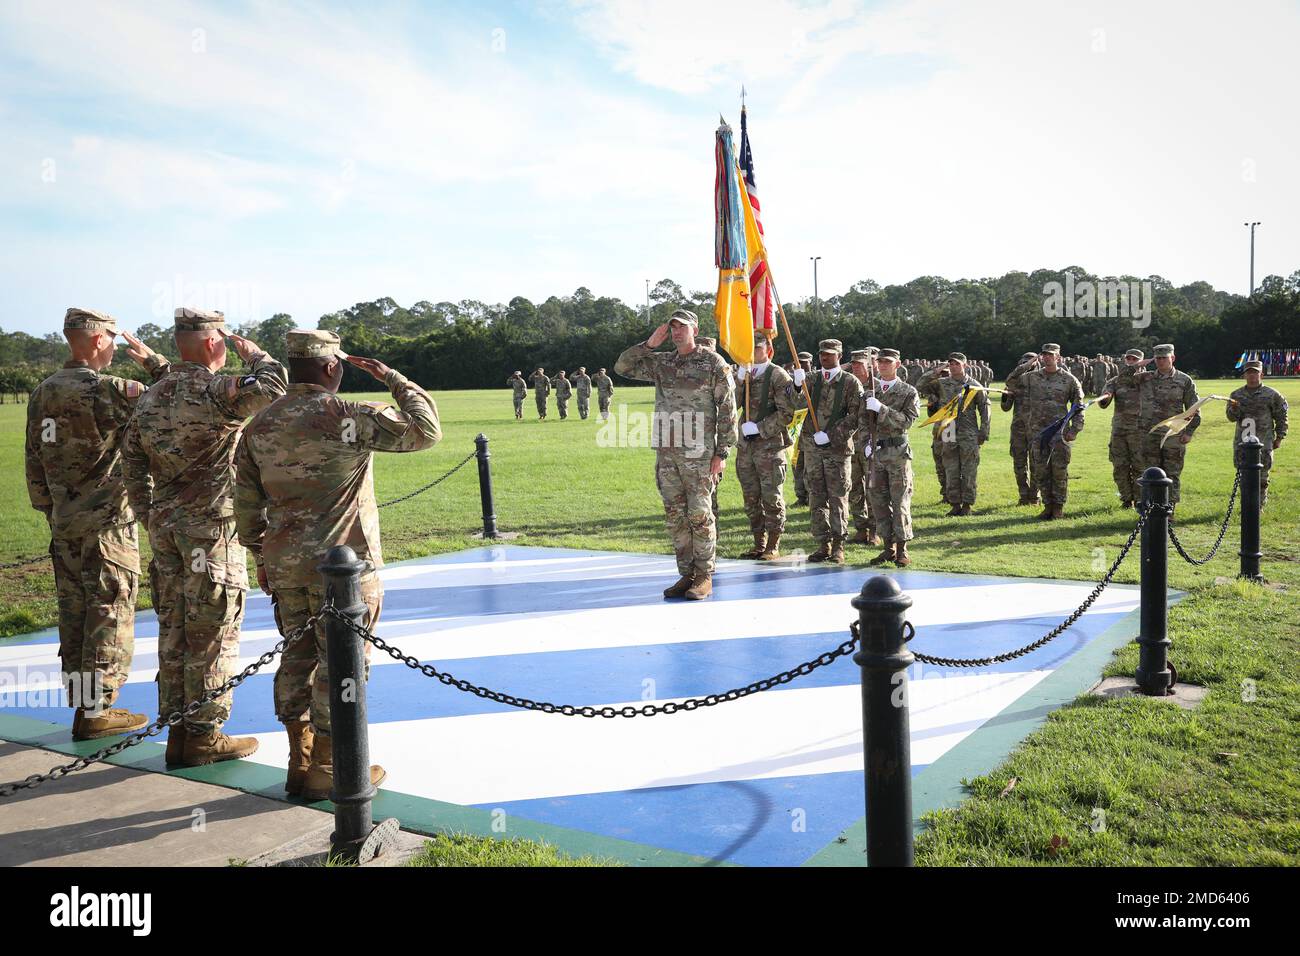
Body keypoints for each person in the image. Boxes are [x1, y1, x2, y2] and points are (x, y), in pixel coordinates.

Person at [234, 330, 440, 799]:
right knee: (342, 667)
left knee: (296, 655)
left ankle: (298, 760)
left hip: (285, 565)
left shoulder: (260, 424)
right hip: (344, 571)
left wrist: (259, 555)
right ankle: (331, 766)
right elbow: (426, 431)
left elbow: (246, 504)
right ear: (332, 368)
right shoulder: (346, 415)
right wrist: (393, 377)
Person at [123, 306, 287, 766]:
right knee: (213, 632)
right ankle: (204, 735)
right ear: (216, 343)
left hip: (166, 530)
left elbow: (131, 461)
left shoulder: (153, 396)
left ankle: (177, 729)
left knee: (174, 629)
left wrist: (147, 512)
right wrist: (258, 355)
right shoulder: (219, 390)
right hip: (212, 531)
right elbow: (274, 388)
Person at [25, 308, 170, 740]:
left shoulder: (43, 392)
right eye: (110, 337)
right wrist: (155, 363)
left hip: (64, 523)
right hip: (107, 525)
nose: (113, 346)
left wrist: (51, 509)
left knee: (75, 615)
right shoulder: (109, 391)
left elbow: (34, 461)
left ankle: (83, 706)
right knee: (110, 611)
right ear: (97, 340)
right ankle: (97, 712)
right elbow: (174, 400)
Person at [615, 309, 736, 600]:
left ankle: (705, 575)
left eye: (682, 327)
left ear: (695, 329)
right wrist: (648, 346)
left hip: (700, 454)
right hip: (668, 453)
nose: (677, 332)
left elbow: (728, 411)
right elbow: (622, 367)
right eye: (673, 328)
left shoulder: (712, 362)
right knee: (676, 515)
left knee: (699, 514)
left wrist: (722, 453)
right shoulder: (663, 362)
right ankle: (686, 574)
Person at [792, 339, 864, 564]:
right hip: (812, 448)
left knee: (837, 497)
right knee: (816, 495)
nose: (825, 357)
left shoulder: (850, 383)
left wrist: (831, 435)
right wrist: (795, 386)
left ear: (839, 356)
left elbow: (855, 417)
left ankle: (838, 545)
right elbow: (793, 405)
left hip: (837, 449)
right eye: (822, 353)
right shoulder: (811, 379)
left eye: (830, 354)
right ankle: (823, 543)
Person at [1004, 344, 1084, 520]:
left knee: (1059, 470)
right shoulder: (1031, 377)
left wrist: (1075, 429)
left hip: (1058, 432)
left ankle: (1058, 507)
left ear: (1058, 358)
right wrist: (1028, 364)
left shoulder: (1069, 380)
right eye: (1044, 355)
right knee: (1041, 470)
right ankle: (1047, 506)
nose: (1047, 358)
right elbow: (1010, 381)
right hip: (1037, 433)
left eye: (1051, 355)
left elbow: (1079, 406)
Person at [734, 332, 796, 560]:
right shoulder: (743, 374)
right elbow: (732, 405)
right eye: (750, 348)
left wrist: (759, 428)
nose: (752, 352)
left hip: (770, 447)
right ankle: (758, 542)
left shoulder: (778, 376)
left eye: (757, 348)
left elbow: (787, 414)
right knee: (750, 497)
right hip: (746, 448)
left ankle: (773, 543)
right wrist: (740, 381)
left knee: (771, 497)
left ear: (768, 350)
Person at [863, 349, 920, 567]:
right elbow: (862, 422)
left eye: (888, 362)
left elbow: (906, 422)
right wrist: (865, 443)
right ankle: (888, 547)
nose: (883, 365)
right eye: (880, 362)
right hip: (876, 454)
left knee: (900, 502)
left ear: (897, 364)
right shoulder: (870, 391)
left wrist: (882, 409)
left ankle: (902, 549)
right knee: (878, 502)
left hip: (897, 454)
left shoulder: (908, 392)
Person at [916, 352, 989, 515]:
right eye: (951, 363)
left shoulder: (974, 385)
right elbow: (920, 385)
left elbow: (985, 407)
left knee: (969, 470)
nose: (954, 366)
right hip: (948, 431)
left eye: (957, 363)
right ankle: (955, 504)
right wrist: (937, 370)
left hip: (968, 432)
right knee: (951, 469)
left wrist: (984, 431)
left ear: (965, 365)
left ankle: (967, 505)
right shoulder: (941, 383)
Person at [1136, 344, 1201, 507]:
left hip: (1173, 434)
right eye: (1157, 358)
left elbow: (1194, 409)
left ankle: (1169, 507)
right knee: (1150, 471)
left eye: (1164, 358)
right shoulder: (1145, 377)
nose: (1160, 361)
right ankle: (1150, 507)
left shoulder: (1184, 380)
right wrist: (1137, 366)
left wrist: (1189, 432)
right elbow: (1120, 379)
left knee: (1172, 472)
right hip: (1149, 433)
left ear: (1172, 358)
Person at [1227, 359, 1288, 508]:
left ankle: (1259, 506)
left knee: (1262, 475)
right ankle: (1247, 506)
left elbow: (1281, 416)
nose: (1252, 375)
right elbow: (1230, 418)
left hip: (1263, 441)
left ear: (1262, 374)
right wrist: (1234, 409)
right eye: (1249, 372)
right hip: (1243, 441)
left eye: (1255, 372)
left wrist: (1279, 437)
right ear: (1244, 375)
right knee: (1244, 476)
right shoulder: (1236, 395)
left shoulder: (1272, 394)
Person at [1097, 349, 1148, 508]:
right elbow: (1102, 404)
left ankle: (1141, 499)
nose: (1131, 361)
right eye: (1129, 359)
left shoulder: (1148, 379)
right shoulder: (1115, 381)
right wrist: (1106, 397)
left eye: (1135, 359)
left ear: (1141, 361)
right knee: (1120, 466)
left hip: (1140, 431)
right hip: (1119, 430)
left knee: (1140, 466)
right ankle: (1127, 499)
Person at [848, 348, 879, 545]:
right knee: (854, 488)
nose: (857, 369)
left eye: (860, 365)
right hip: (851, 444)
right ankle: (860, 528)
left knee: (873, 488)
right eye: (854, 365)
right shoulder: (848, 385)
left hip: (871, 444)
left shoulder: (877, 387)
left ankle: (875, 530)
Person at [1001, 351, 1040, 505]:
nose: (1028, 366)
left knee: (1036, 462)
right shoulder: (1015, 382)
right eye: (1025, 363)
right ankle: (1023, 495)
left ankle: (1034, 496)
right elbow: (1005, 407)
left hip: (1037, 428)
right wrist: (1007, 395)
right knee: (1019, 463)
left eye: (1031, 362)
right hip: (1019, 428)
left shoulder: (1042, 380)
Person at [791, 350, 814, 506]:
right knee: (797, 465)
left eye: (804, 362)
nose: (801, 365)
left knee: (810, 467)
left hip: (813, 431)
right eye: (798, 362)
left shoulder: (815, 379)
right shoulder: (793, 381)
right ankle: (801, 497)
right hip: (797, 431)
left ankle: (812, 496)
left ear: (810, 363)